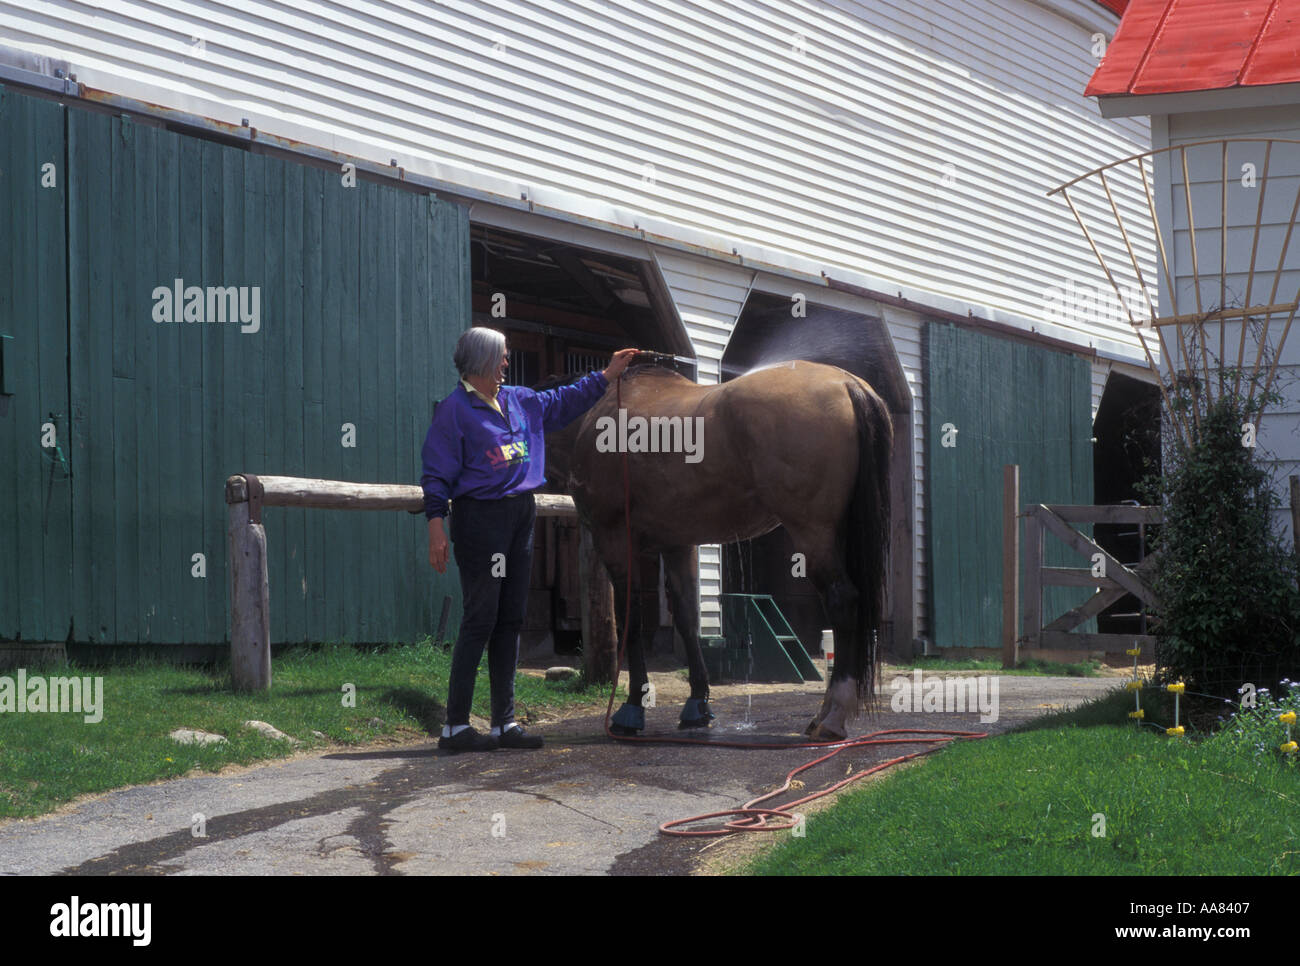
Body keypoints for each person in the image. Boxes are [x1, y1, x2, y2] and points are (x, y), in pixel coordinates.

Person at [422, 327, 639, 752]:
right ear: (484, 361)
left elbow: (564, 402)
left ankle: (504, 722)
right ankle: (455, 726)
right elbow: (436, 472)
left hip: (520, 513)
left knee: (511, 619)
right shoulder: (453, 411)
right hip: (480, 518)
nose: (507, 362)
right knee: (480, 617)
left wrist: (607, 376)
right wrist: (435, 526)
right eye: (502, 357)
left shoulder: (520, 400)